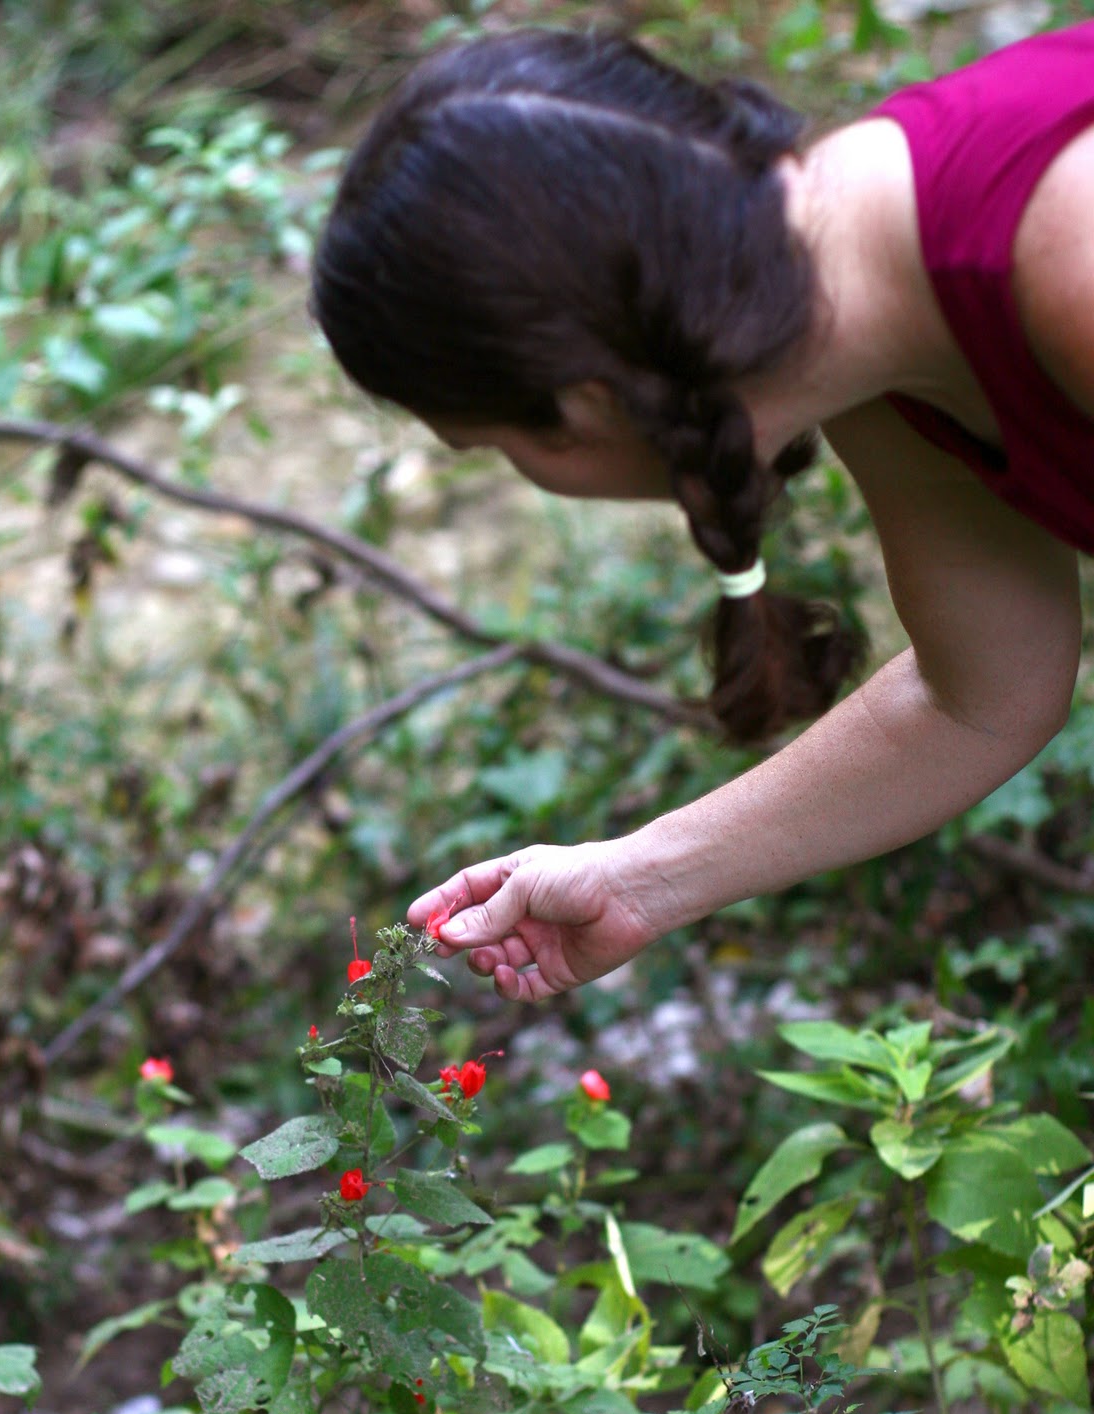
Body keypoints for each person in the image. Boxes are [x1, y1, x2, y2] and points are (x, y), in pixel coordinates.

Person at [311, 22, 1094, 1002]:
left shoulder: (1064, 255)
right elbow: (979, 700)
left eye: (494, 447)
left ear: (582, 407)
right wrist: (639, 878)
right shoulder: (876, 336)